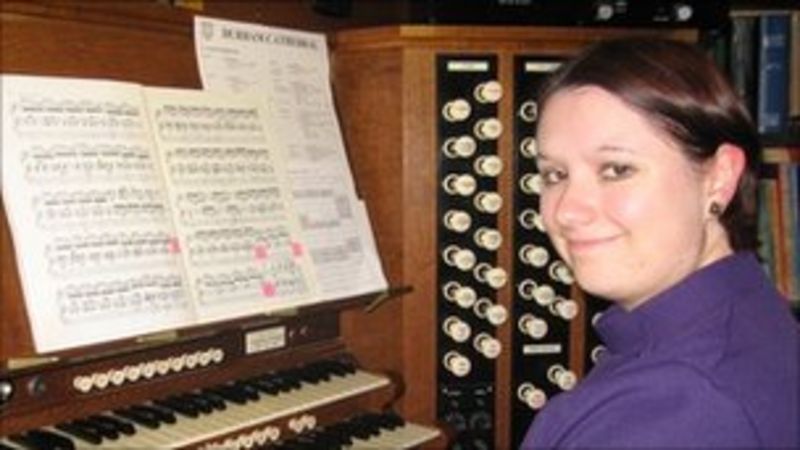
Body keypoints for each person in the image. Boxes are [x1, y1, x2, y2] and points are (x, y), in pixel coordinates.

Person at [520, 37, 799, 449]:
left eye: (616, 169)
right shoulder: (749, 312)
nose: (566, 212)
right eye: (554, 175)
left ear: (719, 177)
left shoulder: (678, 409)